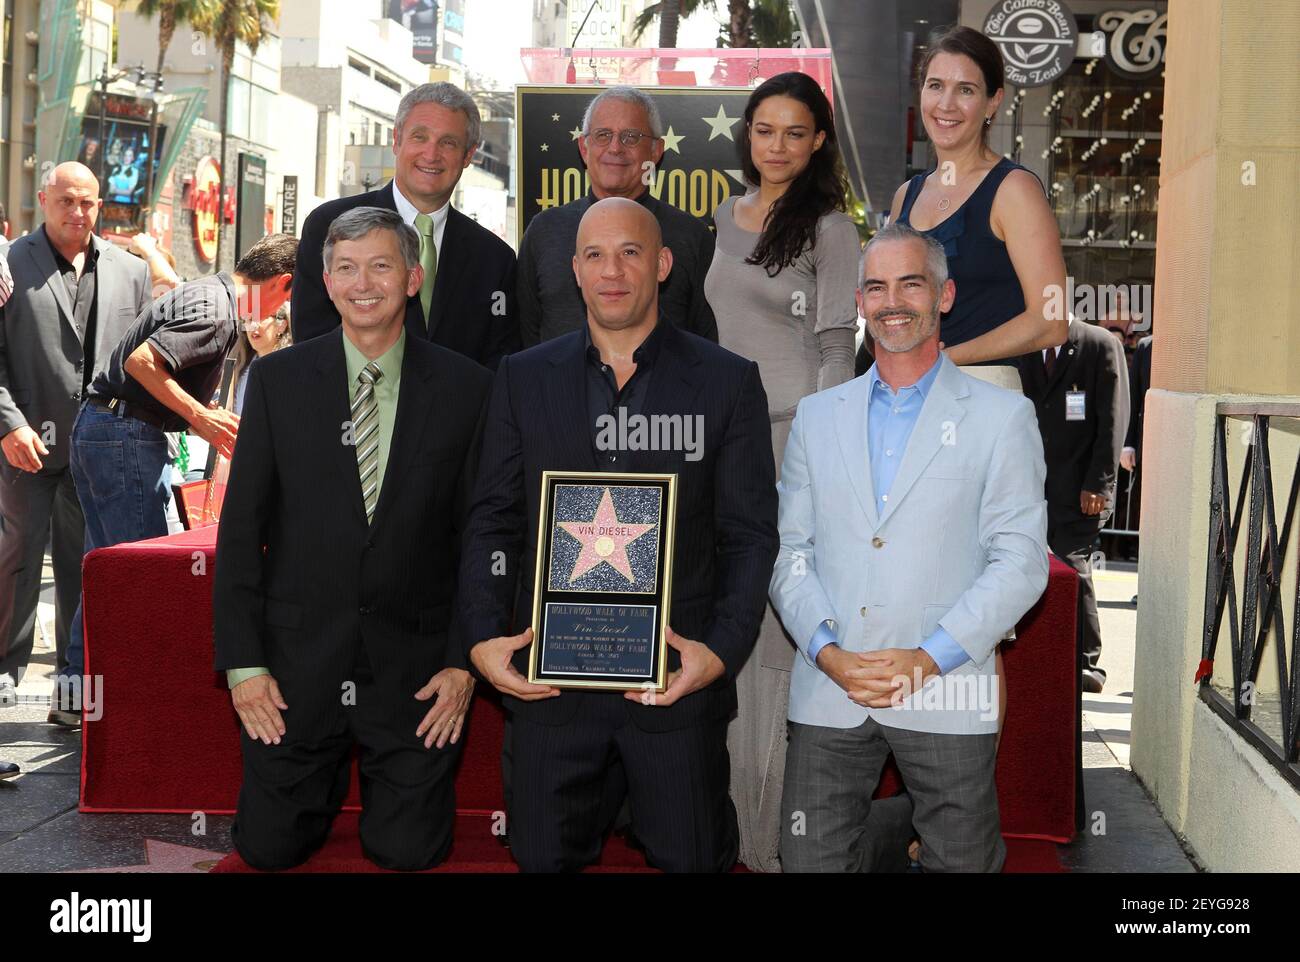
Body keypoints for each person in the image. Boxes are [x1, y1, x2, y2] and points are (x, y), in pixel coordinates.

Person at [459, 197, 777, 873]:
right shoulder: (522, 378)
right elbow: (492, 518)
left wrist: (719, 651)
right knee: (541, 857)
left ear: (662, 265)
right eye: (595, 256)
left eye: (630, 253)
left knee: (694, 859)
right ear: (574, 270)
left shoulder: (728, 381)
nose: (612, 271)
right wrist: (483, 635)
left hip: (674, 680)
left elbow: (749, 535)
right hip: (551, 682)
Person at [214, 207, 492, 871]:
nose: (363, 283)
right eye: (346, 268)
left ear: (413, 278)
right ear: (327, 282)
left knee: (409, 854)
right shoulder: (277, 382)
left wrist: (462, 662)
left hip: (415, 671)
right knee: (269, 850)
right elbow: (241, 532)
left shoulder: (469, 388)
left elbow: (484, 538)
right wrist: (245, 667)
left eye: (380, 266)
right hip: (298, 666)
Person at [771, 223, 1049, 872]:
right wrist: (829, 654)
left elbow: (1020, 561)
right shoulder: (817, 416)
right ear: (859, 302)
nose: (892, 301)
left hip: (946, 685)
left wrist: (928, 658)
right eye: (876, 287)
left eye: (910, 284)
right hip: (833, 685)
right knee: (807, 859)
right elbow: (790, 552)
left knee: (962, 861)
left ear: (944, 295)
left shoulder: (1001, 418)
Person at [703, 71, 860, 872]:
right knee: (724, 616)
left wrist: (819, 454)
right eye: (765, 129)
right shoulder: (721, 218)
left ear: (819, 140)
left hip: (789, 440)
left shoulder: (830, 229)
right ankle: (723, 819)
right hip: (717, 443)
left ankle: (767, 836)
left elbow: (837, 346)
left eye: (796, 132)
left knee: (772, 632)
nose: (778, 146)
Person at [64, 234, 297, 700]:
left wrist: (199, 416)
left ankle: (77, 694)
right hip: (124, 435)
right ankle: (135, 702)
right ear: (284, 283)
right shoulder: (218, 308)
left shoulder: (209, 294)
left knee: (108, 571)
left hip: (108, 430)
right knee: (139, 578)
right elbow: (142, 362)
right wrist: (200, 416)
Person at [0, 163, 152, 726]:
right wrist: (8, 424)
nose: (78, 212)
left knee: (83, 569)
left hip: (100, 450)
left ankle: (72, 693)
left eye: (87, 202)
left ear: (100, 205)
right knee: (16, 559)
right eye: (66, 200)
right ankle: (4, 677)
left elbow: (141, 359)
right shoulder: (9, 263)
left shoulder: (131, 271)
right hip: (24, 441)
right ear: (43, 199)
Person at [855, 25, 1067, 385]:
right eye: (935, 85)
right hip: (907, 392)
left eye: (965, 89)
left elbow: (1051, 321)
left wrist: (940, 360)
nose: (946, 104)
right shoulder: (906, 195)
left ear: (993, 101)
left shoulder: (1014, 190)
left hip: (985, 392)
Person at [292, 82, 517, 369]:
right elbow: (311, 342)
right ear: (396, 140)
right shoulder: (328, 225)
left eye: (448, 142)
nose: (431, 154)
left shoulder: (494, 258)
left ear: (469, 155)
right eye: (419, 137)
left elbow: (498, 364)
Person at [516, 86, 717, 347]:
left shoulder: (692, 237)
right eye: (603, 135)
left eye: (630, 137)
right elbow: (524, 338)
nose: (615, 148)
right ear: (584, 148)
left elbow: (707, 346)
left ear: (656, 150)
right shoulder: (544, 231)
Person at [1017, 317, 1129, 694]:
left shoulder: (1099, 344)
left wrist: (1099, 483)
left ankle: (1086, 663)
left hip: (1080, 489)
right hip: (1027, 486)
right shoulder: (1021, 344)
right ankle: (1037, 654)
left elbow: (1112, 419)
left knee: (1073, 566)